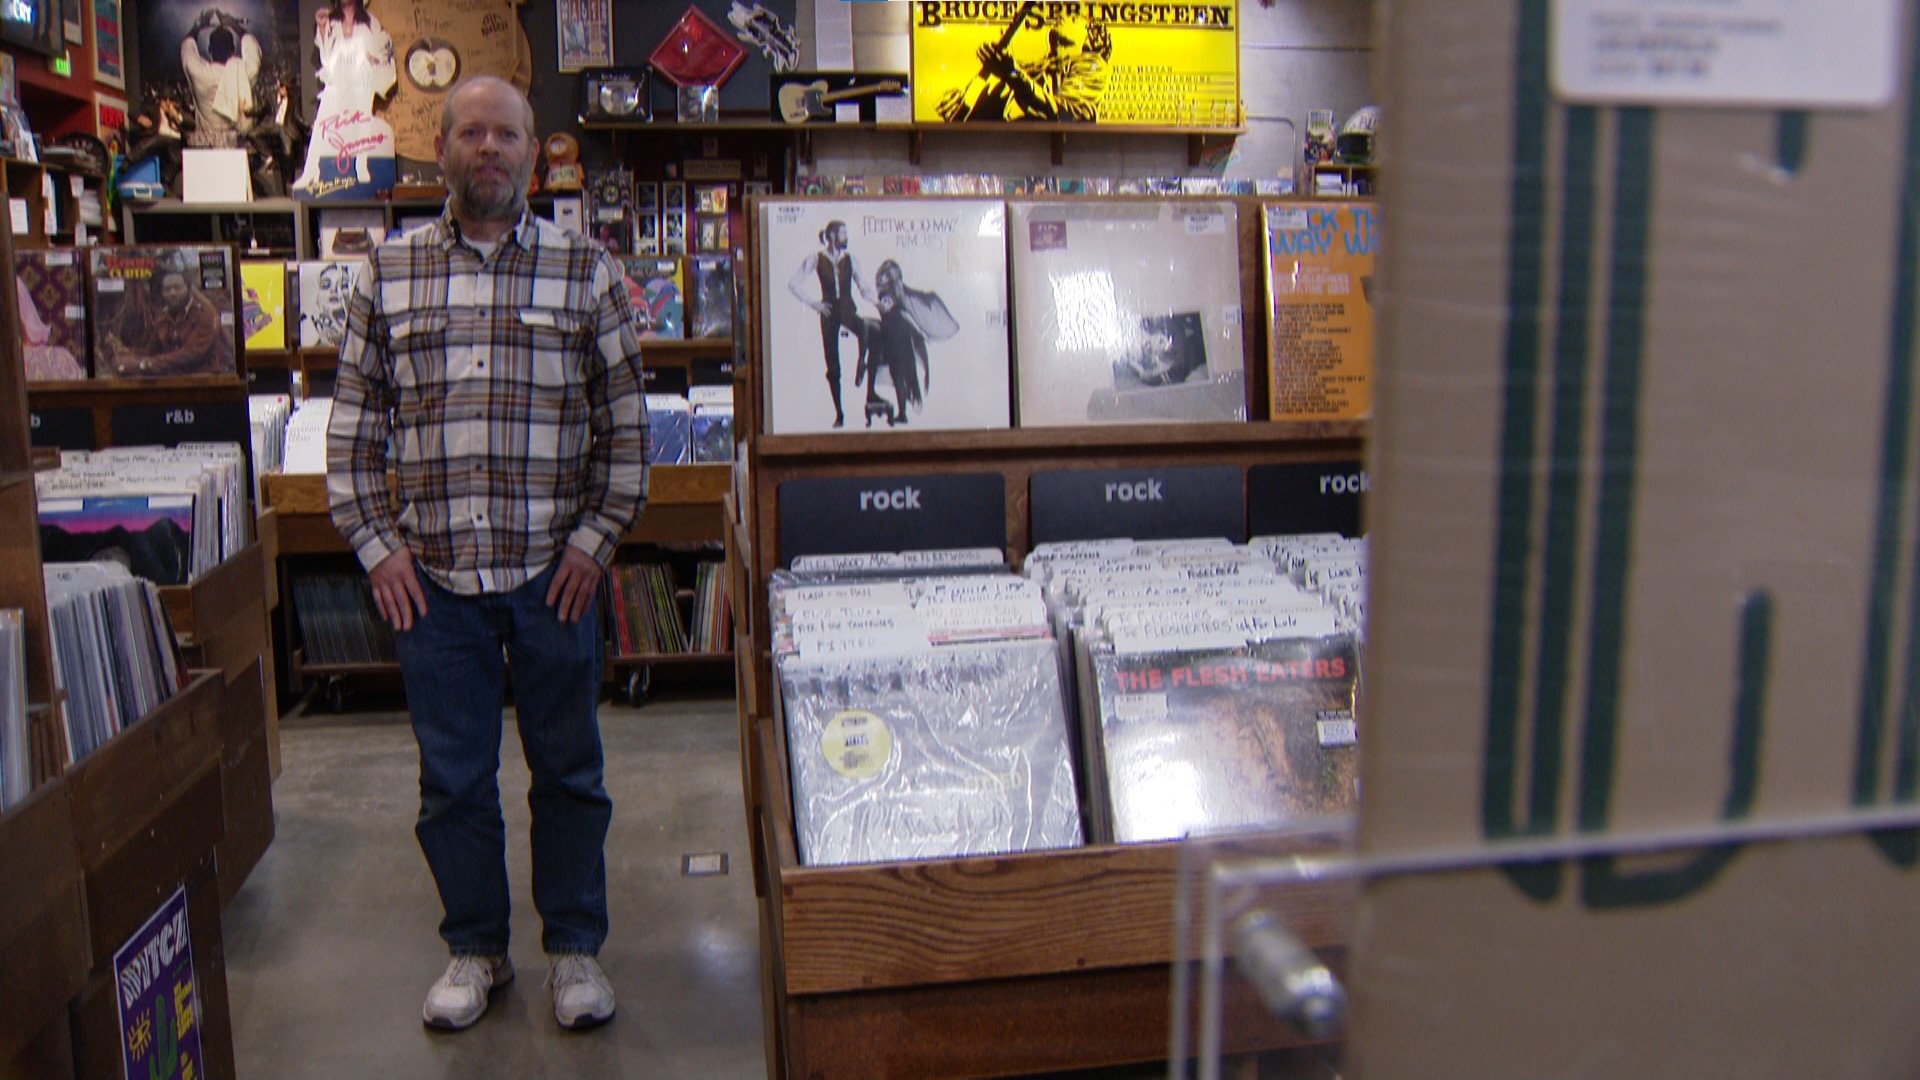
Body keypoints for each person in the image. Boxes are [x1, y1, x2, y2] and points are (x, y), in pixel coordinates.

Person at [325, 75, 648, 1033]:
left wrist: (595, 541)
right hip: (432, 586)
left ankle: (576, 950)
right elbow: (350, 435)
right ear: (442, 146)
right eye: (471, 133)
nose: (490, 150)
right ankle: (476, 950)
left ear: (533, 148)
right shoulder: (388, 273)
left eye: (507, 134)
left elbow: (625, 429)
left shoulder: (584, 270)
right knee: (452, 781)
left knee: (570, 772)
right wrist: (379, 551)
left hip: (556, 573)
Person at [937, 13, 1112, 123]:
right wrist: (961, 101)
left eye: (1065, 43)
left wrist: (1011, 74)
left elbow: (1064, 115)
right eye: (1053, 42)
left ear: (1089, 44)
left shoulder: (1092, 65)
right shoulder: (1035, 67)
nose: (1055, 51)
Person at [786, 220, 872, 427]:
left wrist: (877, 302)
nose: (846, 237)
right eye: (843, 233)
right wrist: (814, 304)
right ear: (833, 235)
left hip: (848, 311)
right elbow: (793, 283)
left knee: (868, 329)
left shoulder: (851, 260)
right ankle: (839, 414)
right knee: (833, 365)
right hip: (829, 315)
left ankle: (862, 362)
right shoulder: (816, 258)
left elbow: (864, 287)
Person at [861, 259, 959, 427]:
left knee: (900, 377)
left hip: (899, 340)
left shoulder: (893, 294)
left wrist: (871, 300)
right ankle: (902, 413)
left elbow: (897, 313)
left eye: (885, 275)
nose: (881, 277)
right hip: (894, 339)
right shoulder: (892, 293)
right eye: (881, 274)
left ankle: (902, 413)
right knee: (898, 376)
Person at [102, 267, 235, 377]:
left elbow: (189, 355)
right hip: (171, 379)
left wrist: (144, 364)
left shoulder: (205, 316)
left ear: (188, 289)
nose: (172, 293)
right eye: (168, 289)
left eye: (177, 288)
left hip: (202, 380)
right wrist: (125, 352)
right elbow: (151, 352)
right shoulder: (163, 318)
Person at [180, 9, 261, 148]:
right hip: (238, 145)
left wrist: (198, 26)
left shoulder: (199, 73)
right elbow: (252, 49)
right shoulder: (245, 73)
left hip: (207, 146)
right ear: (233, 48)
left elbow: (187, 48)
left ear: (209, 49)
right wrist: (234, 25)